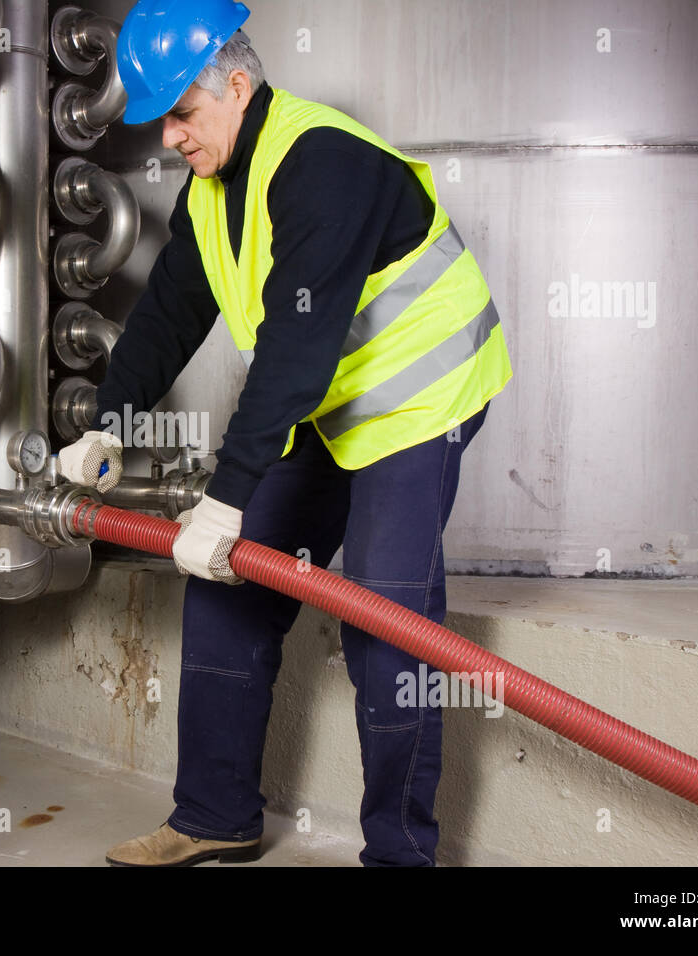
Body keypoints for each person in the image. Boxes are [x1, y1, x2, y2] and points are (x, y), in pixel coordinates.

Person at [58, 0, 512, 866]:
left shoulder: (322, 162)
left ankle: (401, 855)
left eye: (181, 117)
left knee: (387, 622)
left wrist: (225, 499)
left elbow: (295, 350)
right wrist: (106, 426)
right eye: (160, 124)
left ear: (238, 85)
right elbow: (167, 317)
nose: (168, 141)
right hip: (331, 396)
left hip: (420, 399)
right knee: (229, 587)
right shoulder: (213, 186)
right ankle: (215, 817)